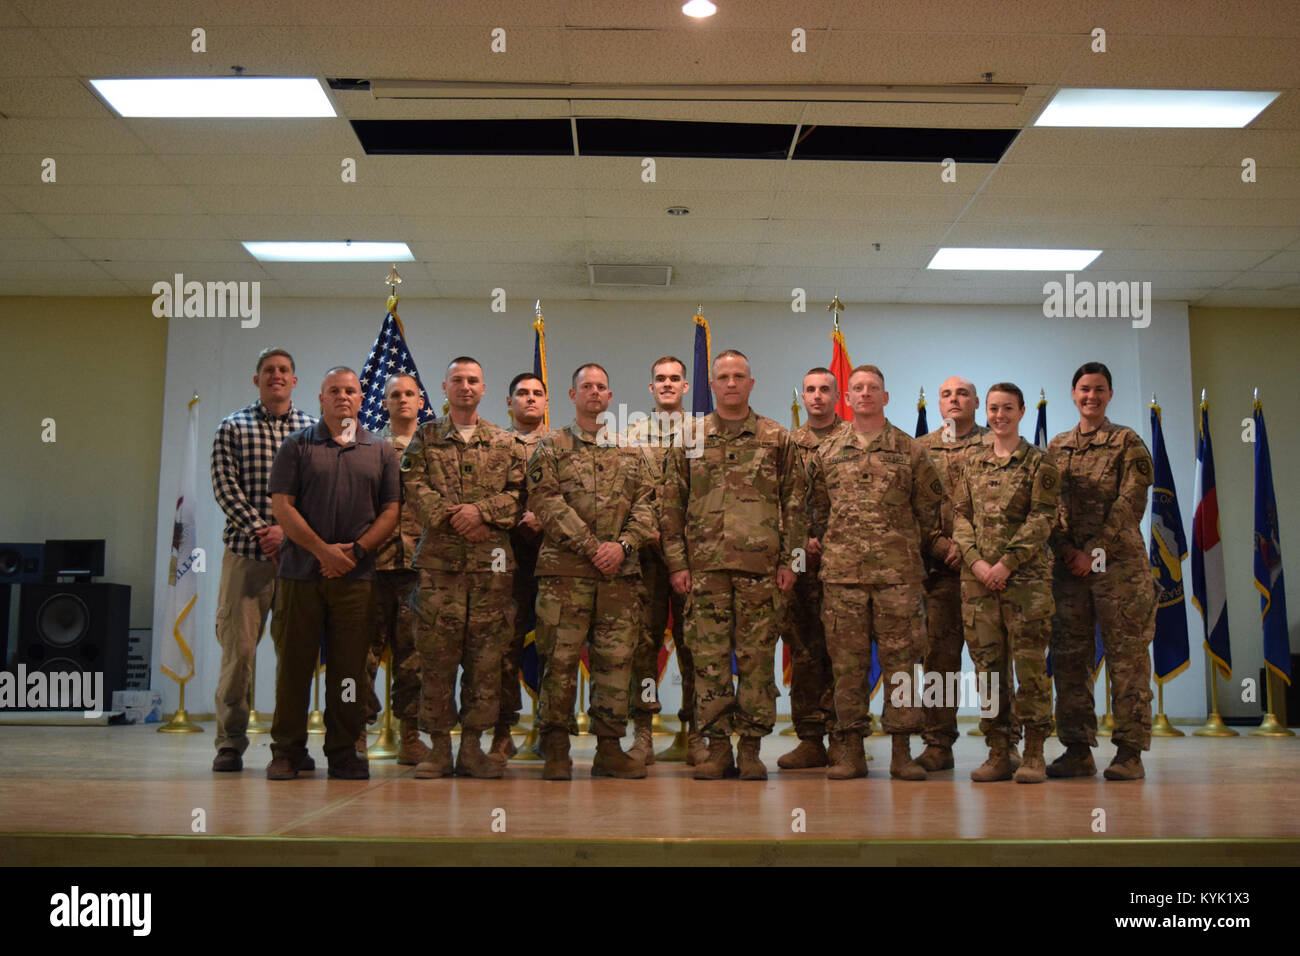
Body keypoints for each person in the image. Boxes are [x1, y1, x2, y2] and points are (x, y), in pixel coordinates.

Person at [660, 350, 806, 781]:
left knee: (757, 661)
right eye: (722, 376)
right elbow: (671, 506)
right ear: (712, 384)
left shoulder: (777, 437)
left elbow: (796, 505)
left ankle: (752, 749)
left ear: (751, 383)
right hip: (704, 571)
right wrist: (676, 564)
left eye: (738, 376)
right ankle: (718, 747)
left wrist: (791, 562)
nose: (730, 383)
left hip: (762, 571)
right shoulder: (689, 437)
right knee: (709, 662)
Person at [808, 365, 945, 780]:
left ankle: (902, 751)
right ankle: (851, 751)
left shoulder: (911, 450)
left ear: (886, 397)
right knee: (846, 667)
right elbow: (816, 511)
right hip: (843, 579)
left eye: (874, 388)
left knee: (901, 666)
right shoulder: (827, 451)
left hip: (898, 579)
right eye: (858, 388)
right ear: (847, 399)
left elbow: (927, 511)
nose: (865, 394)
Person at [266, 367, 399, 780]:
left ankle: (343, 752)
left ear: (362, 400)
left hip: (356, 579)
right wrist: (323, 551)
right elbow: (282, 507)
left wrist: (355, 552)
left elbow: (391, 511)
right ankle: (288, 752)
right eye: (334, 391)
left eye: (350, 391)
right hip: (301, 576)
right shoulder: (296, 447)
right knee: (294, 667)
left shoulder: (380, 451)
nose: (343, 397)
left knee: (348, 671)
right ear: (321, 399)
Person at [527, 364, 657, 779]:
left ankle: (608, 748)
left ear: (610, 394)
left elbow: (649, 505)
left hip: (619, 577)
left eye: (601, 386)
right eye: (587, 386)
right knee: (559, 661)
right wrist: (591, 546)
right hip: (565, 575)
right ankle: (557, 747)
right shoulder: (550, 448)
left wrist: (622, 546)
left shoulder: (632, 452)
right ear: (572, 394)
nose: (595, 393)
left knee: (616, 662)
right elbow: (546, 503)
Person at [401, 357, 527, 779]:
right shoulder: (426, 437)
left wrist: (481, 512)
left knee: (486, 661)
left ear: (484, 388)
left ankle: (473, 747)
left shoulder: (504, 441)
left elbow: (518, 494)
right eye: (458, 380)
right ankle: (438, 749)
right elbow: (413, 486)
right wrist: (453, 517)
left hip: (491, 571)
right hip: (440, 568)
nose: (466, 387)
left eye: (473, 380)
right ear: (444, 386)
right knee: (435, 660)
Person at [1047, 362, 1157, 781]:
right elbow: (1047, 509)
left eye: (1098, 389)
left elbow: (1129, 504)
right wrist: (1065, 549)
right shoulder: (1057, 447)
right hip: (1068, 571)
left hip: (1119, 571)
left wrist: (1092, 553)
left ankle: (1130, 751)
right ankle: (1077, 748)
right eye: (1083, 389)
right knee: (1070, 659)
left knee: (1126, 661)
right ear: (1072, 394)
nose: (1090, 396)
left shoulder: (1127, 442)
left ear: (1109, 395)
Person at [209, 347, 316, 773]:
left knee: (296, 657)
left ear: (294, 381)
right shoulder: (232, 427)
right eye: (269, 370)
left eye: (284, 370)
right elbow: (225, 488)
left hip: (298, 564)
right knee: (239, 654)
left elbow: (319, 492)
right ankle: (230, 743)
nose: (277, 375)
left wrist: (288, 533)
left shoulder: (312, 429)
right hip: (247, 559)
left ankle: (289, 746)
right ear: (257, 380)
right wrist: (263, 530)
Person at [951, 383, 1060, 783]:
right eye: (994, 409)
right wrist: (977, 563)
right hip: (978, 585)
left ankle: (1033, 753)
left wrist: (1007, 563)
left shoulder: (1039, 463)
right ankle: (1000, 750)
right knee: (988, 672)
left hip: (1025, 584)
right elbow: (959, 517)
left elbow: (1043, 519)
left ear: (1021, 411)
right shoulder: (970, 462)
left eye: (1007, 408)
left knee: (1030, 669)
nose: (999, 416)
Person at [916, 376, 1009, 772]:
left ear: (976, 403)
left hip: (987, 572)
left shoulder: (998, 445)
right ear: (939, 404)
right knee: (939, 661)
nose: (954, 400)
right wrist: (941, 546)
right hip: (938, 572)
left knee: (992, 661)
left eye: (963, 394)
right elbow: (907, 509)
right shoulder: (919, 450)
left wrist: (974, 554)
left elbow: (1011, 507)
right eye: (946, 394)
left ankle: (1002, 745)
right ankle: (938, 744)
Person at [625, 356, 701, 766]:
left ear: (685, 387)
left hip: (694, 557)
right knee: (644, 646)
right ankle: (643, 731)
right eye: (660, 379)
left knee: (696, 645)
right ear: (651, 387)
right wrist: (648, 533)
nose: (668, 384)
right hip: (647, 558)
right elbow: (626, 492)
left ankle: (696, 730)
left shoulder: (703, 434)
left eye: (675, 379)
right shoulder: (630, 435)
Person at [777, 367, 849, 771]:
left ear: (837, 395)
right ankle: (809, 738)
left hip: (846, 562)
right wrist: (800, 539)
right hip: (801, 562)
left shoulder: (855, 441)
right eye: (810, 390)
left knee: (844, 652)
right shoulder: (788, 444)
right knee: (804, 651)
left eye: (825, 389)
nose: (817, 396)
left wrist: (834, 538)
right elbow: (776, 498)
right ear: (802, 397)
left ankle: (844, 735)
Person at [362, 374, 430, 765]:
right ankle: (357, 731)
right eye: (395, 395)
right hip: (373, 564)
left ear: (421, 401)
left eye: (409, 394)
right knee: (361, 656)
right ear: (383, 402)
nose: (403, 400)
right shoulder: (369, 447)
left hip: (419, 565)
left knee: (415, 657)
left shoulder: (435, 445)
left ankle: (411, 735)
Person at [492, 372, 552, 759]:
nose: (530, 399)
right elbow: (485, 494)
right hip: (505, 557)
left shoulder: (564, 444)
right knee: (502, 646)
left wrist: (545, 517)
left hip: (554, 558)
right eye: (522, 394)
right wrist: (518, 515)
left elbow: (580, 496)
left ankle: (549, 731)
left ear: (546, 402)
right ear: (509, 402)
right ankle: (501, 731)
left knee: (553, 646)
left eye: (537, 393)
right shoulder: (494, 445)